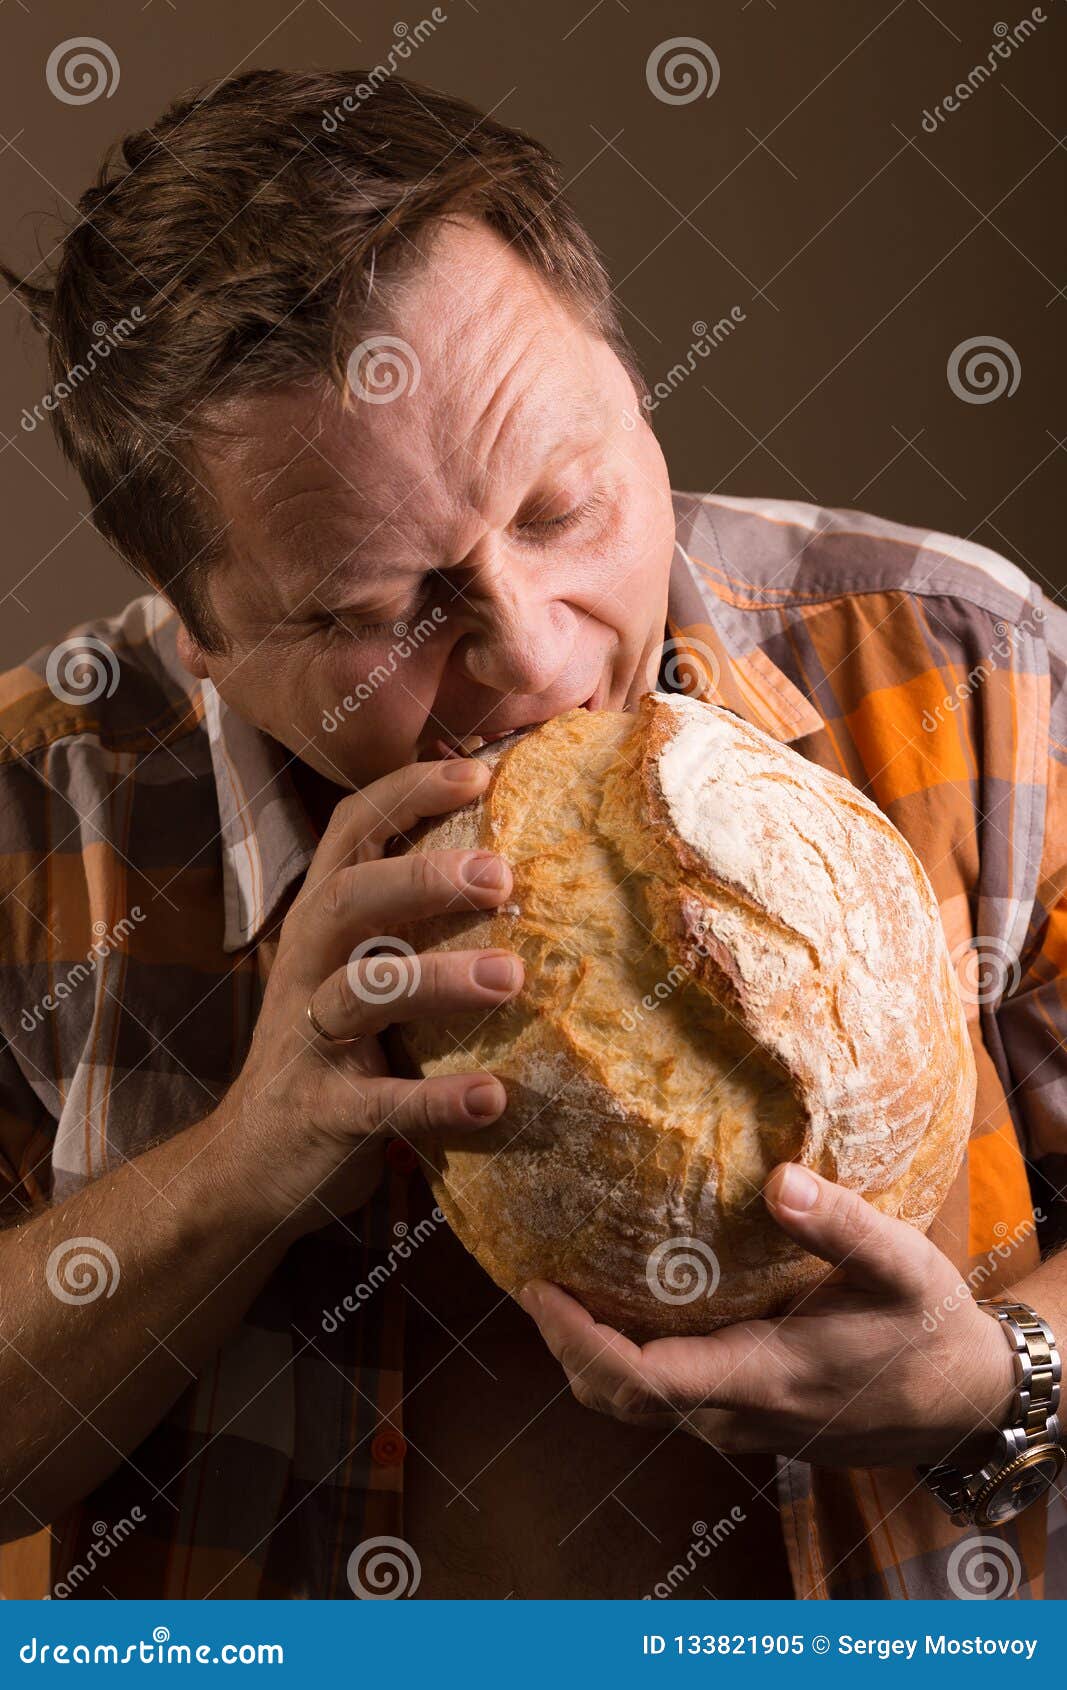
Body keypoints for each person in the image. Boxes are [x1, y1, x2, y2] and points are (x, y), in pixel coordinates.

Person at [0, 68, 1063, 1601]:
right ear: (203, 634)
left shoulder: (969, 674)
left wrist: (996, 1373)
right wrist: (241, 1162)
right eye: (380, 615)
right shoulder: (48, 815)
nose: (535, 657)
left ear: (630, 385)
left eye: (564, 505)